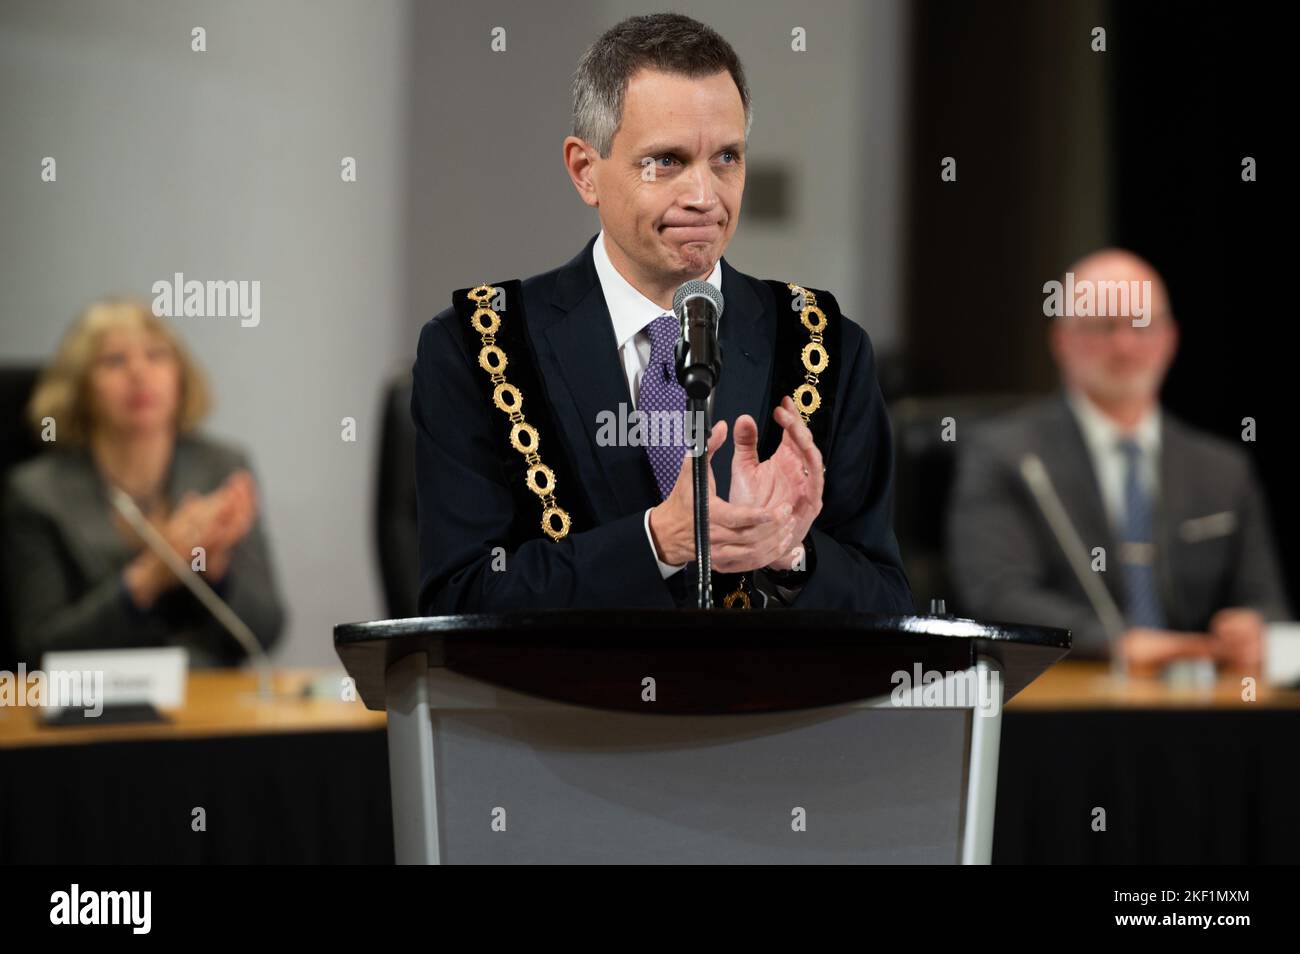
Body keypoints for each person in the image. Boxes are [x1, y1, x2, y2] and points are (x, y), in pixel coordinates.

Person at [411, 13, 912, 613]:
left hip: (762, 706)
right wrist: (656, 542)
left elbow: (888, 604)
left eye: (726, 157)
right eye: (666, 161)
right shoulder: (480, 344)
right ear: (585, 171)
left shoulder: (825, 345)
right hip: (563, 705)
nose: (705, 197)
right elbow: (460, 599)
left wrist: (791, 554)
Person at [947, 249, 1289, 673]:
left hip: (1203, 705)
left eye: (1141, 325)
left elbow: (1267, 601)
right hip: (1070, 704)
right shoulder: (1006, 456)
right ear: (1062, 341)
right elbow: (996, 594)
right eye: (1102, 326)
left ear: (1169, 339)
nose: (1124, 345)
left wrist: (1252, 627)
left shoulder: (1223, 470)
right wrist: (1115, 643)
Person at [2, 297, 286, 666]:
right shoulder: (36, 493)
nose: (139, 373)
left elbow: (266, 634)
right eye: (114, 360)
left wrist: (216, 571)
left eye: (156, 356)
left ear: (180, 376)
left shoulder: (222, 468)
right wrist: (148, 578)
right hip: (92, 708)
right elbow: (39, 649)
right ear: (80, 388)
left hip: (209, 702)